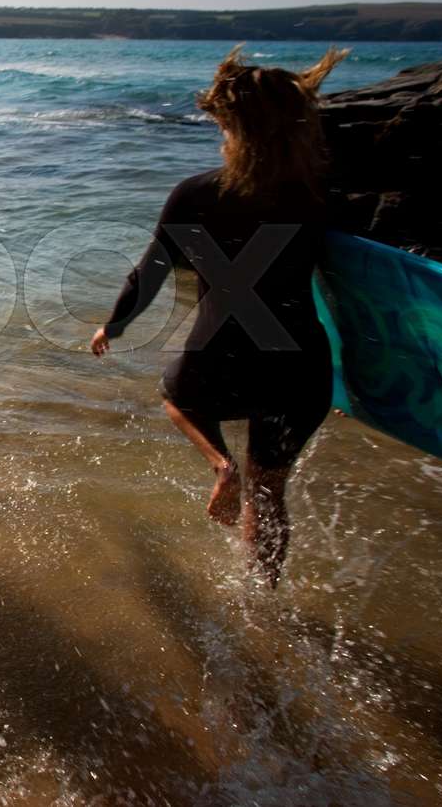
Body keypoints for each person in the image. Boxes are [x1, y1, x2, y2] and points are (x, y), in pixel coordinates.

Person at [90, 45, 348, 588]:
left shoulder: (195, 195)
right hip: (299, 370)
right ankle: (261, 603)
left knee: (172, 393)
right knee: (269, 491)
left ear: (232, 125)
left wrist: (113, 325)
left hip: (219, 363)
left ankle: (219, 463)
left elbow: (150, 274)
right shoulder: (320, 196)